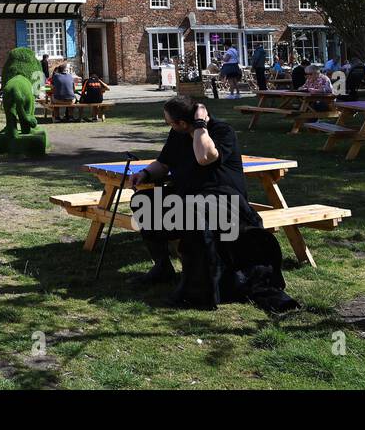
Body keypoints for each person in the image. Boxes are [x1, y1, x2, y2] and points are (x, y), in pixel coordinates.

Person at [126, 96, 296, 312]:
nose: (169, 125)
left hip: (225, 201)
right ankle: (162, 267)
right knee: (144, 202)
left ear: (183, 123)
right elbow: (164, 162)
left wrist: (199, 127)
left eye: (170, 122)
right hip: (189, 196)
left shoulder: (221, 131)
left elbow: (204, 156)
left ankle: (198, 287)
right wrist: (145, 172)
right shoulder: (177, 134)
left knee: (191, 213)